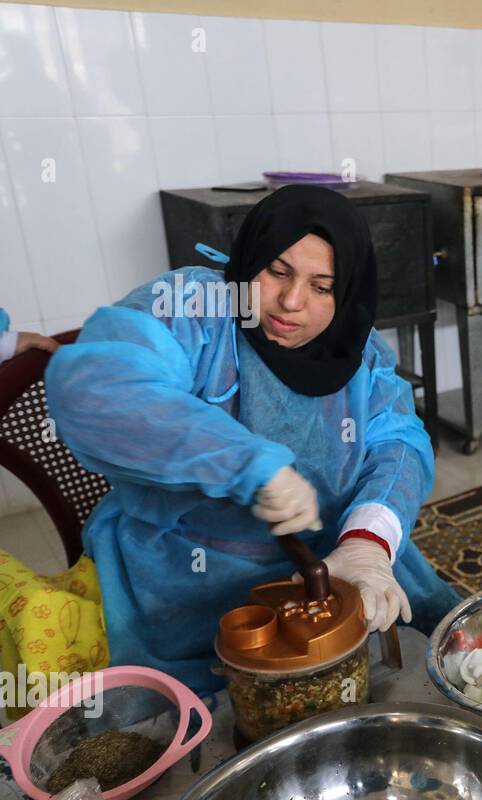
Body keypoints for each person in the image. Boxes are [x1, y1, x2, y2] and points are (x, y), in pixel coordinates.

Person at [38, 185, 460, 692]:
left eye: (323, 287)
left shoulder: (358, 350)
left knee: (437, 665)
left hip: (338, 561)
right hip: (186, 581)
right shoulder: (195, 309)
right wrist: (241, 462)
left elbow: (399, 443)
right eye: (277, 271)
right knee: (195, 714)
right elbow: (97, 387)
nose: (291, 301)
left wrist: (368, 540)